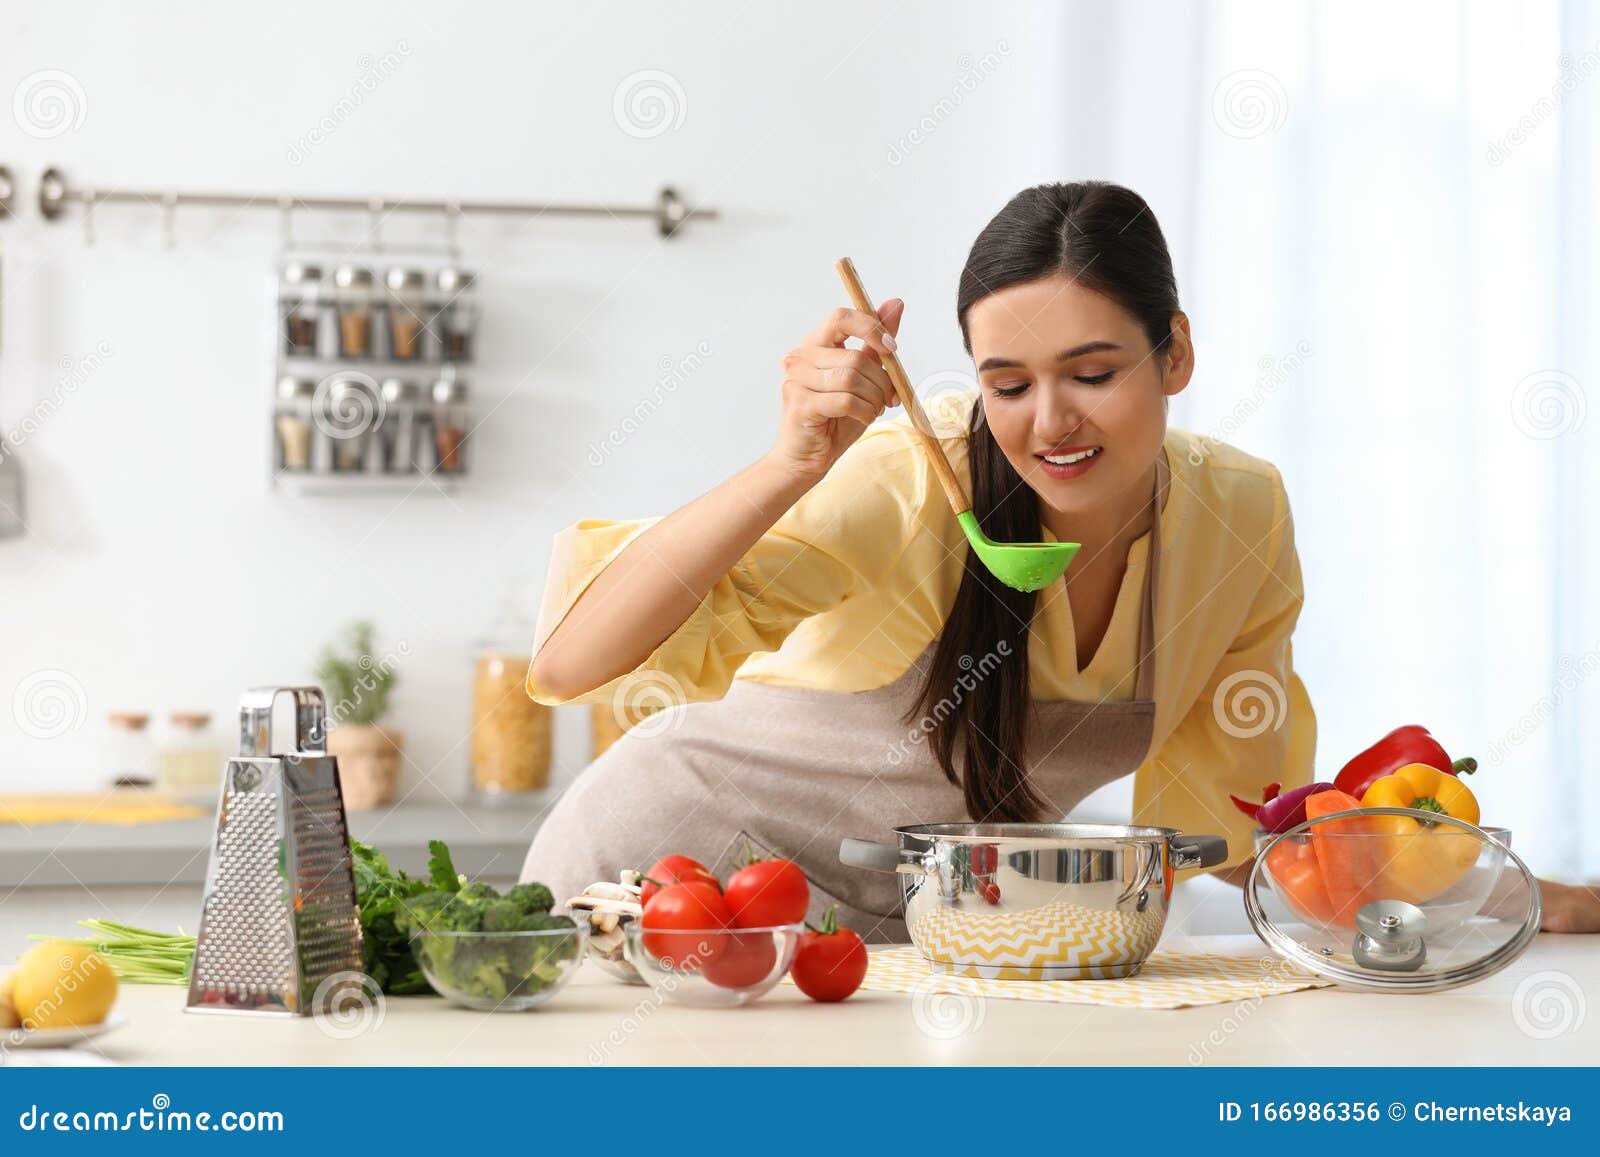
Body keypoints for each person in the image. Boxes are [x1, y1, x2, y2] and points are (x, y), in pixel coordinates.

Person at [520, 180, 1600, 937]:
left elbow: (1243, 828)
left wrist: (1489, 893)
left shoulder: (1239, 514)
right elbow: (573, 663)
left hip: (899, 947)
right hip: (668, 885)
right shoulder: (909, 478)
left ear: (1173, 351)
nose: (1048, 423)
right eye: (1007, 382)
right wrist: (792, 458)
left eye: (1091, 371)